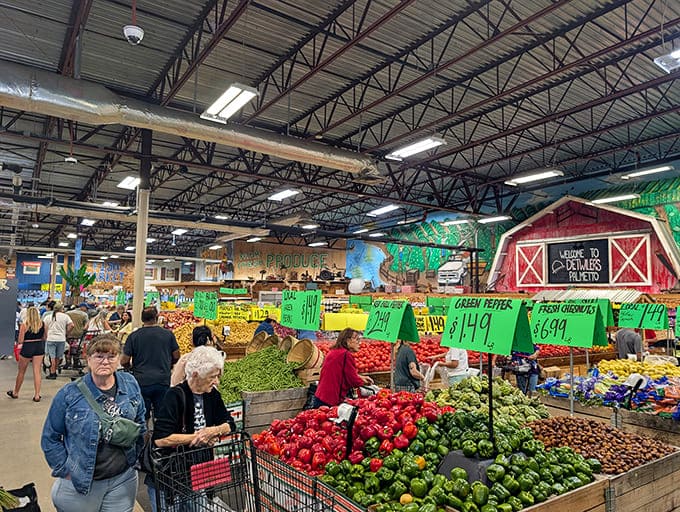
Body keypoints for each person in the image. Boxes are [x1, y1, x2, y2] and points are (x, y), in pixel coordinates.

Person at [41, 334, 146, 512]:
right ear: (88, 359)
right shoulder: (69, 394)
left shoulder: (130, 384)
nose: (105, 362)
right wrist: (66, 470)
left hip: (122, 480)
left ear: (119, 359)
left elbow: (140, 421)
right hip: (82, 483)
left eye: (111, 356)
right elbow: (50, 437)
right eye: (99, 356)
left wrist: (135, 458)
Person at [148, 346, 235, 512]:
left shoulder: (212, 395)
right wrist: (198, 437)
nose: (217, 381)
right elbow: (161, 438)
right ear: (196, 375)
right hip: (170, 476)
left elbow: (229, 423)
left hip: (198, 472)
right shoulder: (175, 395)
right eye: (212, 376)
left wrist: (213, 431)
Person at [121, 307, 180, 420]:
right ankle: (159, 435)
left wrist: (131, 368)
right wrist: (168, 364)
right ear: (156, 318)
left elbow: (124, 361)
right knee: (161, 415)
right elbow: (176, 355)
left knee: (142, 415)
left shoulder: (134, 336)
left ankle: (145, 435)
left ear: (142, 319)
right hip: (162, 380)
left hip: (141, 381)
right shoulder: (168, 335)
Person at [312, 328, 373, 407]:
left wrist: (361, 377)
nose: (359, 343)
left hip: (321, 396)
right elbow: (353, 381)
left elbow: (341, 373)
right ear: (348, 341)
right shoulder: (346, 355)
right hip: (331, 399)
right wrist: (367, 383)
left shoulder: (334, 351)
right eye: (357, 339)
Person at [8, 306, 47, 401]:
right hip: (39, 347)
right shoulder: (43, 324)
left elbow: (20, 340)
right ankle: (37, 395)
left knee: (21, 371)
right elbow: (45, 337)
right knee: (37, 371)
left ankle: (16, 392)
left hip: (27, 347)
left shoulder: (24, 325)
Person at [42, 301, 74, 380]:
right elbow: (72, 325)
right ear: (61, 309)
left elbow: (45, 328)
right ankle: (54, 370)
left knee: (52, 357)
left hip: (51, 339)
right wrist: (66, 333)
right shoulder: (65, 316)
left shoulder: (48, 317)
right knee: (58, 356)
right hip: (61, 339)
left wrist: (46, 336)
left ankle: (52, 373)